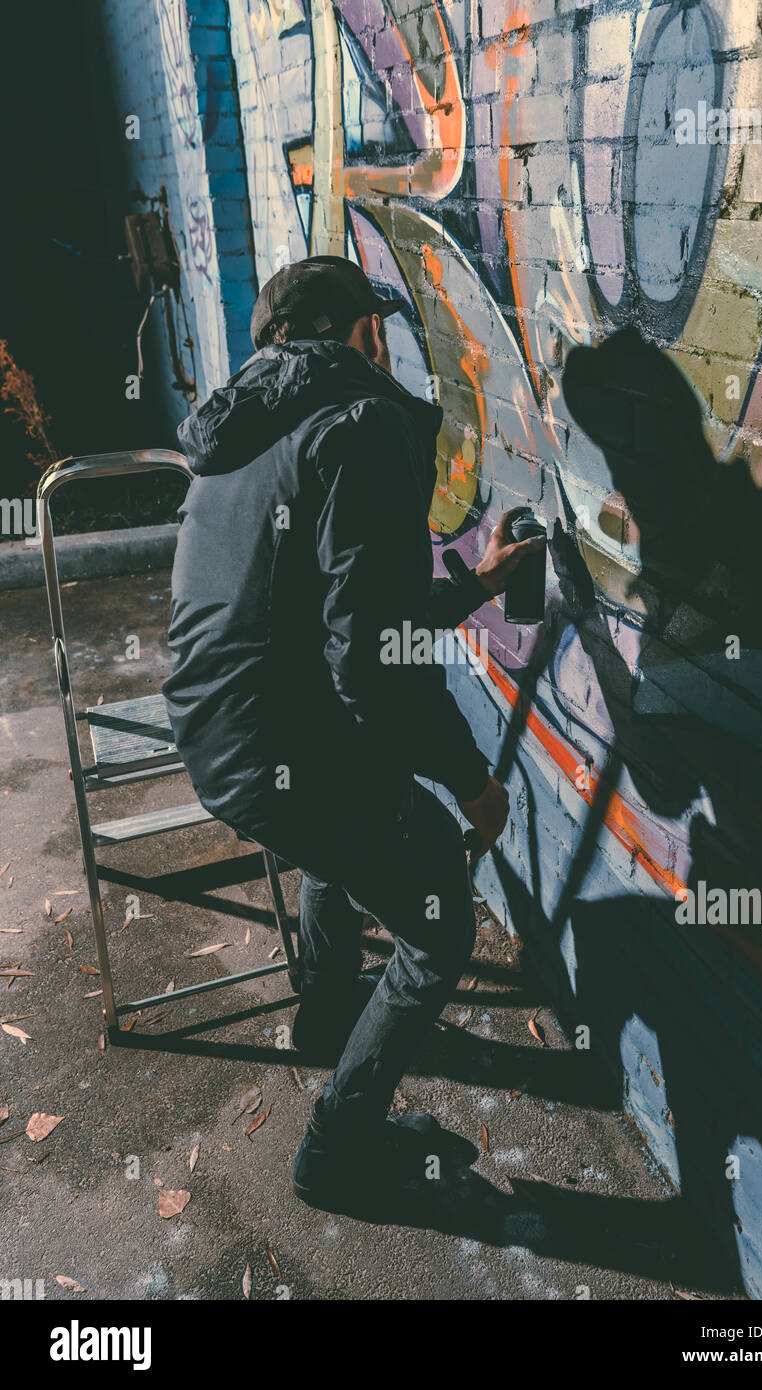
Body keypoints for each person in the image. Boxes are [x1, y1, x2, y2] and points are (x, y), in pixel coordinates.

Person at [164, 255, 543, 1208]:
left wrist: (477, 585)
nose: (388, 336)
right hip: (277, 738)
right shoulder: (361, 420)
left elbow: (344, 611)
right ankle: (340, 1146)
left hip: (219, 728)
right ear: (355, 330)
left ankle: (327, 1021)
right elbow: (372, 656)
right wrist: (468, 781)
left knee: (340, 825)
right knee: (438, 927)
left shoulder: (249, 423)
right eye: (378, 321)